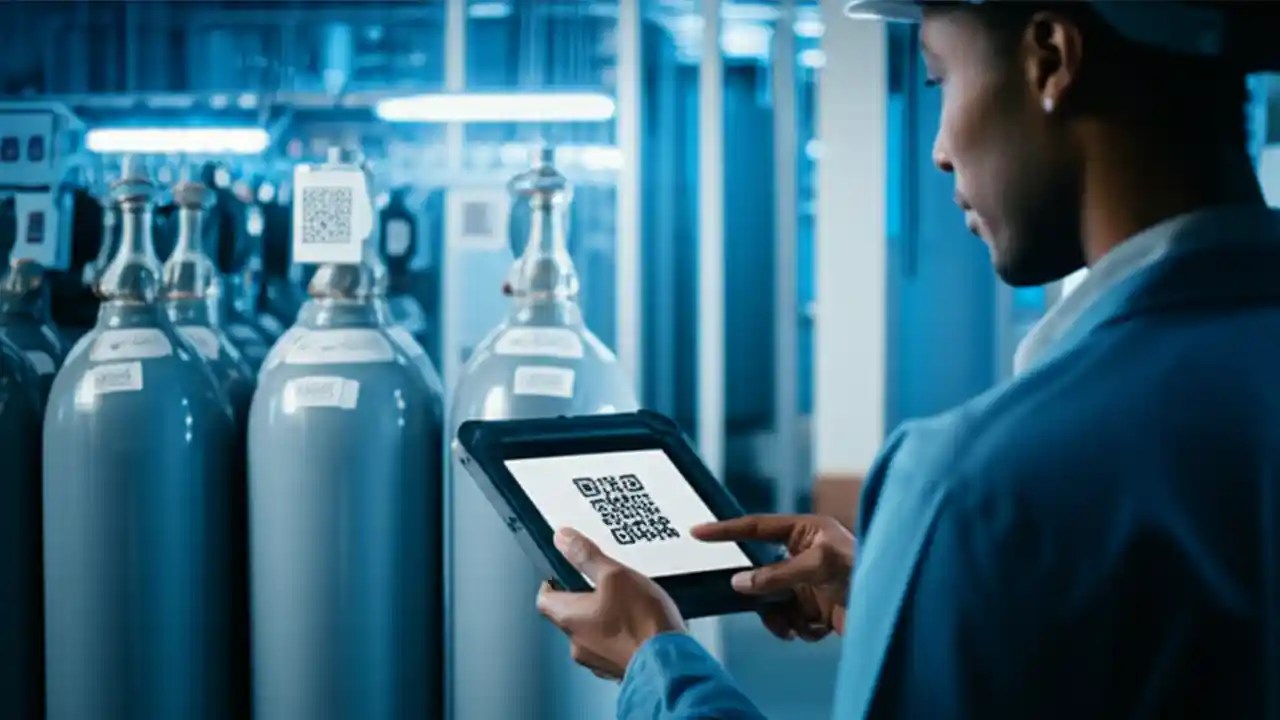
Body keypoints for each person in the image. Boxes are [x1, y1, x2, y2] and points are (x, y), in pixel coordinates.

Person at [537, 1, 1280, 718]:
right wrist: (918, 591)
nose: (939, 148)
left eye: (940, 79)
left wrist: (655, 662)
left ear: (1050, 57)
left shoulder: (980, 486)